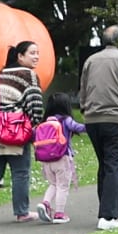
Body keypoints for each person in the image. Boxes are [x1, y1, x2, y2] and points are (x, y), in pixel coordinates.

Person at [0, 41, 45, 226]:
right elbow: (35, 106)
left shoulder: (1, 75)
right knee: (20, 172)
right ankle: (22, 212)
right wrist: (35, 125)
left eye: (37, 53)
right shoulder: (29, 75)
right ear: (20, 56)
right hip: (14, 130)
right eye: (32, 53)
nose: (36, 56)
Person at [79, 25, 118, 231]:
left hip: (92, 119)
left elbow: (83, 89)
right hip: (115, 118)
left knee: (104, 164)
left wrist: (85, 109)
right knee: (114, 164)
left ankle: (107, 209)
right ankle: (108, 215)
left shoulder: (91, 60)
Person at [36, 92, 87, 224]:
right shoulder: (66, 120)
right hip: (62, 158)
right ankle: (59, 214)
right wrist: (92, 127)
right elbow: (78, 127)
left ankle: (45, 203)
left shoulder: (45, 122)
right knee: (63, 186)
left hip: (46, 161)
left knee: (53, 184)